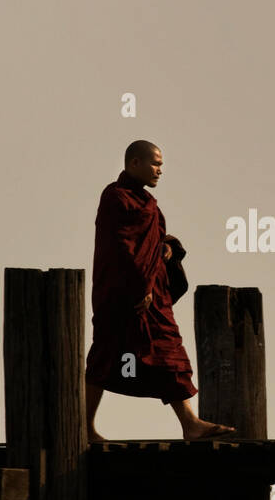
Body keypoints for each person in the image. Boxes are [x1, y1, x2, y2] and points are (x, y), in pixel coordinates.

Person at [84, 140, 237, 442]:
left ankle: (190, 424)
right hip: (121, 296)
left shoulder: (149, 204)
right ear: (134, 163)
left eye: (162, 165)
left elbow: (150, 242)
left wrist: (165, 248)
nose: (160, 171)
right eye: (155, 164)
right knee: (105, 355)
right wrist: (138, 288)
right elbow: (122, 247)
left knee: (170, 355)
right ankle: (84, 427)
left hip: (151, 296)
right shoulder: (115, 197)